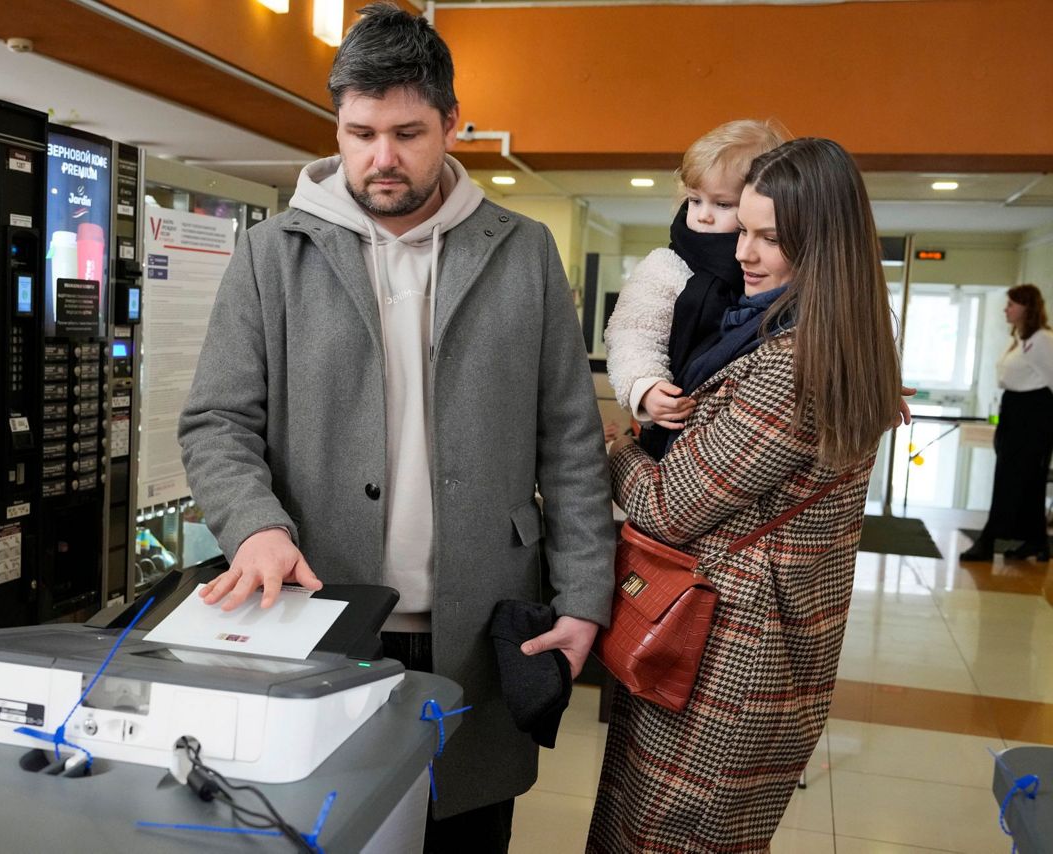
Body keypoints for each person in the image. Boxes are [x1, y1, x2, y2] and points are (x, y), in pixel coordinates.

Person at [176, 4, 615, 850]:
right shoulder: (272, 255)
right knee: (324, 829)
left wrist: (584, 597)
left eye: (409, 132)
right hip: (317, 618)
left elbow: (570, 442)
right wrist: (254, 527)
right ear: (336, 126)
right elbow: (216, 422)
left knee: (464, 831)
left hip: (483, 630)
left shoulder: (522, 252)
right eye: (361, 132)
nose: (382, 158)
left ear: (453, 123)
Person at [586, 138, 903, 852]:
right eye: (744, 230)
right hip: (740, 643)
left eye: (770, 238)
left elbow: (669, 503)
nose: (742, 253)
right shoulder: (834, 341)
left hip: (727, 659)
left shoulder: (797, 365)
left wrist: (615, 449)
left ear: (823, 247)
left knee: (667, 836)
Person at [604, 119, 785, 460]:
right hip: (675, 421)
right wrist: (645, 387)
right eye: (695, 200)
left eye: (723, 204)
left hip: (738, 432)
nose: (702, 216)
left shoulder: (774, 272)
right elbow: (631, 333)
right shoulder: (667, 265)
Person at [960, 284, 1053, 562]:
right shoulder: (1023, 339)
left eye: (1011, 304)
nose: (1006, 309)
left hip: (1033, 417)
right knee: (1019, 480)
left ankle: (989, 540)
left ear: (1027, 307)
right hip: (1016, 411)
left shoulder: (1042, 339)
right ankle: (1036, 541)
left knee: (1015, 480)